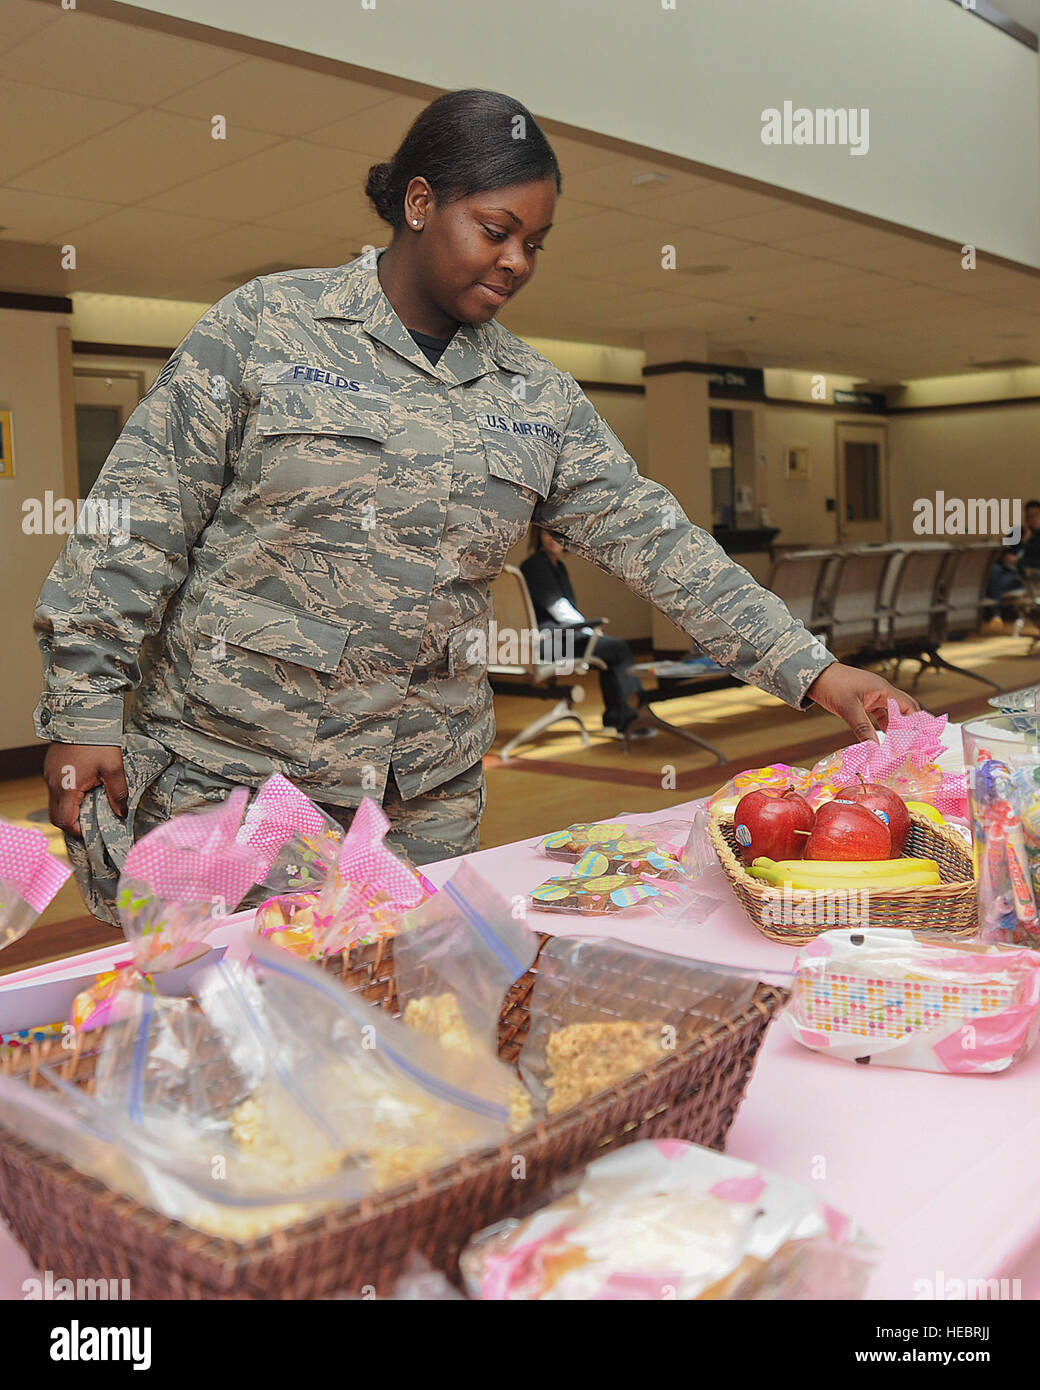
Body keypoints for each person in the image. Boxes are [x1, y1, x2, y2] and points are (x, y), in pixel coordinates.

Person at [33, 88, 917, 928]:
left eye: (535, 242)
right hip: (235, 780)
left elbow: (658, 542)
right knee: (225, 1029)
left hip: (418, 798)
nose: (517, 262)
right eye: (497, 231)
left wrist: (812, 670)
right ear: (420, 202)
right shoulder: (265, 327)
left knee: (399, 1015)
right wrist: (81, 709)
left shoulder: (536, 396)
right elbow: (136, 522)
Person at [521, 527, 654, 738]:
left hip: (561, 636)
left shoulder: (558, 567)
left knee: (612, 652)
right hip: (549, 641)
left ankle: (622, 717)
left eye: (558, 535)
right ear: (539, 537)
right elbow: (559, 609)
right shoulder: (536, 565)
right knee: (617, 649)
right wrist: (591, 630)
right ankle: (627, 719)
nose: (554, 540)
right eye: (548, 534)